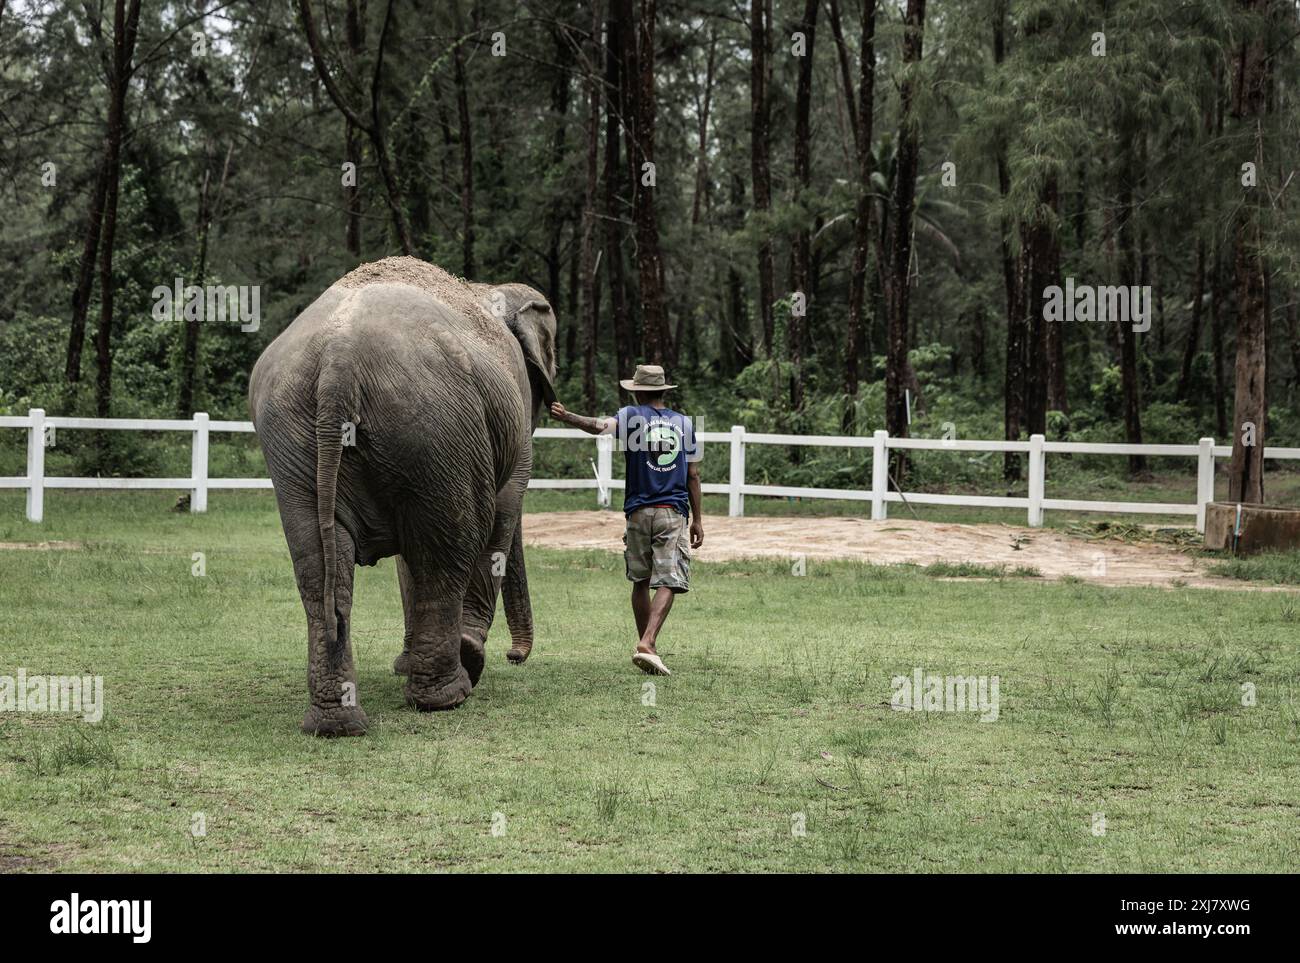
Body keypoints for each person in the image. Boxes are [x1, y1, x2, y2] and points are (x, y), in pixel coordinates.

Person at [549, 364, 703, 675]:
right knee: (670, 579)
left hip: (637, 511)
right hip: (672, 510)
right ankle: (647, 642)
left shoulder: (631, 416)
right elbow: (694, 475)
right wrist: (698, 519)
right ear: (662, 390)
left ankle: (648, 647)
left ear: (638, 391)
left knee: (641, 580)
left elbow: (597, 427)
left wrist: (567, 416)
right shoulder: (685, 424)